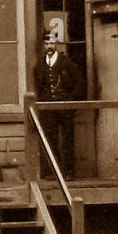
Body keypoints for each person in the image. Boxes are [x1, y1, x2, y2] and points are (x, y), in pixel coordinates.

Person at [31, 33, 84, 177]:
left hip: (65, 106)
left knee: (67, 140)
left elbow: (80, 82)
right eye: (47, 44)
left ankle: (68, 172)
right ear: (43, 46)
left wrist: (72, 100)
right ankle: (53, 172)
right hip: (47, 108)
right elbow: (38, 86)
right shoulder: (39, 66)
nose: (49, 47)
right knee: (50, 139)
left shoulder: (66, 63)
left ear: (56, 45)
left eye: (52, 43)